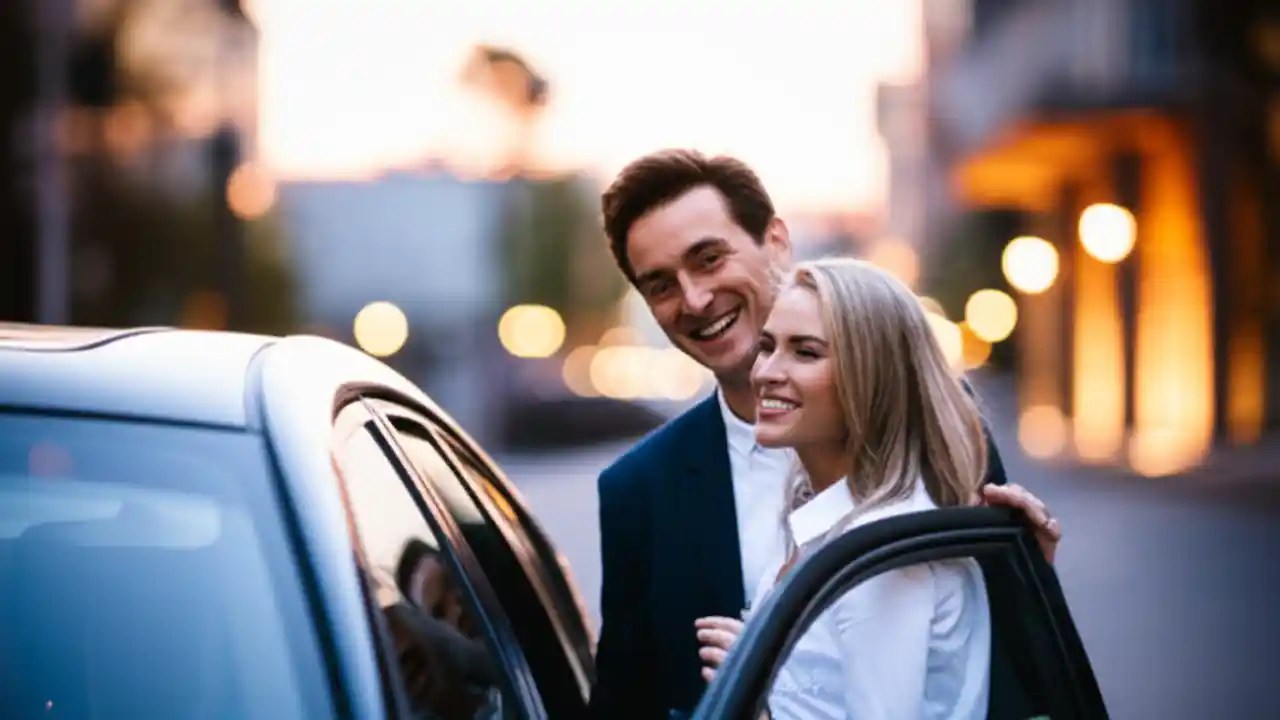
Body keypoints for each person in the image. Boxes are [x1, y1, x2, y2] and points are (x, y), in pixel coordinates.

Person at [590, 149, 1060, 719]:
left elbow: (998, 661)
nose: (693, 299)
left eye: (709, 259)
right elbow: (625, 703)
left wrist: (1023, 575)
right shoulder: (636, 490)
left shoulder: (933, 418)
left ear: (778, 243)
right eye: (660, 285)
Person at [697, 258, 993, 718]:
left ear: (871, 377)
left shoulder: (881, 554)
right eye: (767, 346)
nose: (765, 372)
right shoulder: (816, 515)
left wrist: (753, 699)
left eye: (806, 352)